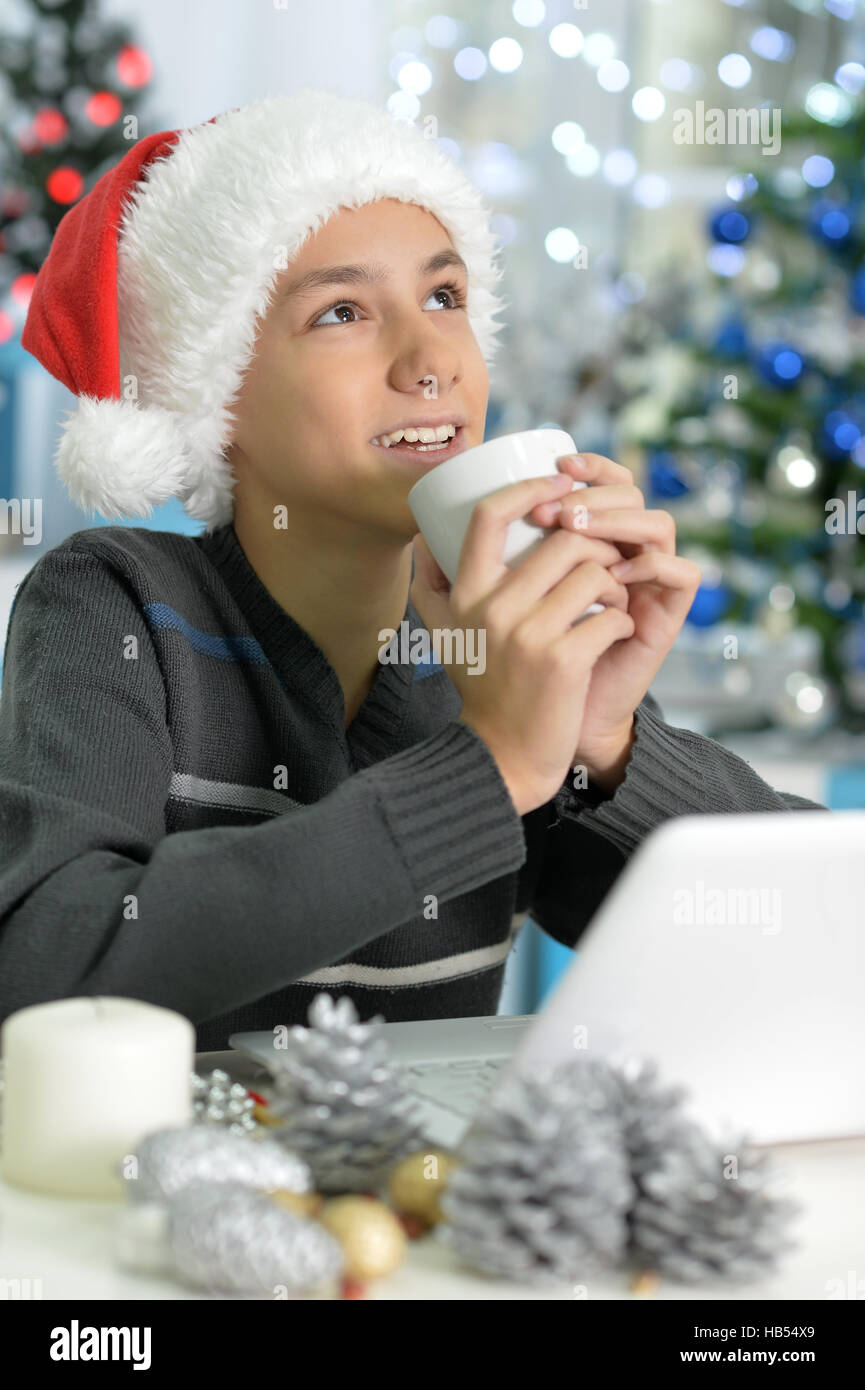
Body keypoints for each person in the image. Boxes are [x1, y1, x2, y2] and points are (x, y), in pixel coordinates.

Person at [0, 92, 826, 1052]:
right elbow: (44, 972)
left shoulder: (489, 653)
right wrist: (488, 768)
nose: (430, 358)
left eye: (445, 297)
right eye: (343, 312)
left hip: (424, 1200)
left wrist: (600, 741)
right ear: (213, 398)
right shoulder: (117, 602)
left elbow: (799, 935)